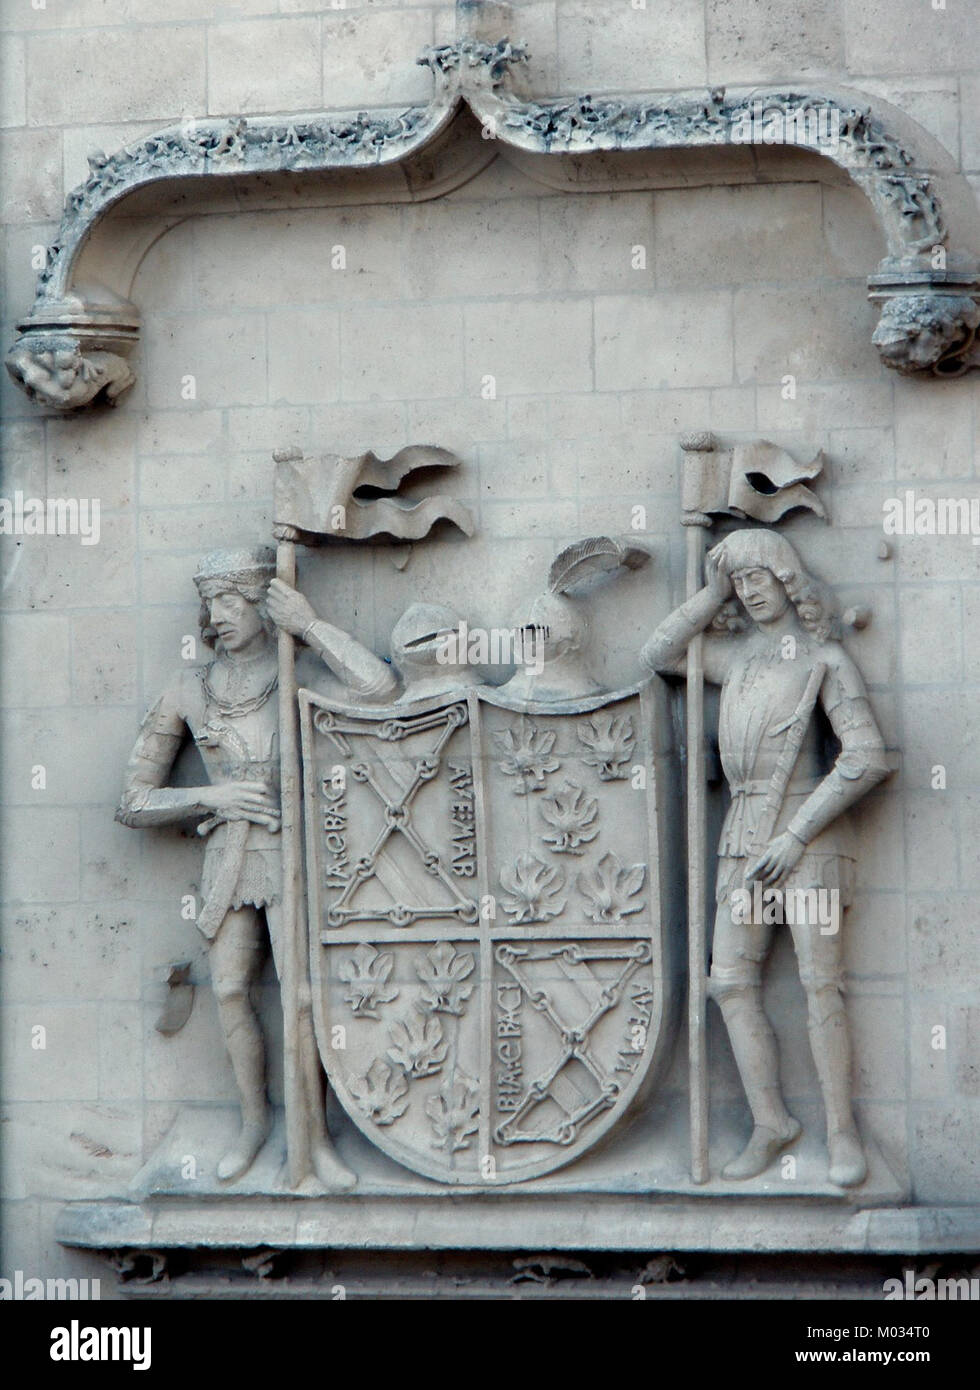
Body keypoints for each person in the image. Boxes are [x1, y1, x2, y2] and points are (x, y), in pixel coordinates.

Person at [641, 529, 889, 1186]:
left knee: (820, 985)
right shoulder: (737, 660)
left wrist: (797, 834)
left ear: (787, 580)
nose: (751, 592)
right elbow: (658, 652)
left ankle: (841, 1133)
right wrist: (711, 592)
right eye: (741, 583)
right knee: (729, 982)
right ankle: (771, 1121)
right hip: (744, 831)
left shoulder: (825, 660)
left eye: (758, 578)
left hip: (808, 834)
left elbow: (866, 757)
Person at [117, 547, 354, 1189]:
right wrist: (210, 795)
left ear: (260, 603)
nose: (216, 616)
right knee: (228, 990)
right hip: (228, 854)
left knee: (303, 995)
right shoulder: (188, 688)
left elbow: (378, 689)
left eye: (231, 601)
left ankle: (314, 1134)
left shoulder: (295, 670)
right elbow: (133, 800)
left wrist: (307, 626)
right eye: (210, 604)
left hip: (296, 852)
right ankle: (254, 1122)